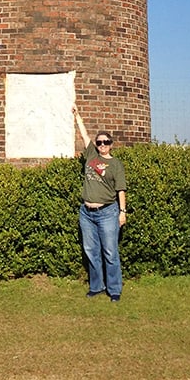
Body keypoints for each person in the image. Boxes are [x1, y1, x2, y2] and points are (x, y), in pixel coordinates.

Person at [72, 103, 127, 301]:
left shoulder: (115, 164)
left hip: (107, 212)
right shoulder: (91, 155)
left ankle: (114, 290)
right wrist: (77, 116)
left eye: (106, 142)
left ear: (111, 144)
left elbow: (121, 189)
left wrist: (123, 212)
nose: (102, 145)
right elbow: (84, 135)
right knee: (91, 251)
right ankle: (97, 286)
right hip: (87, 212)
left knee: (110, 252)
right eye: (100, 142)